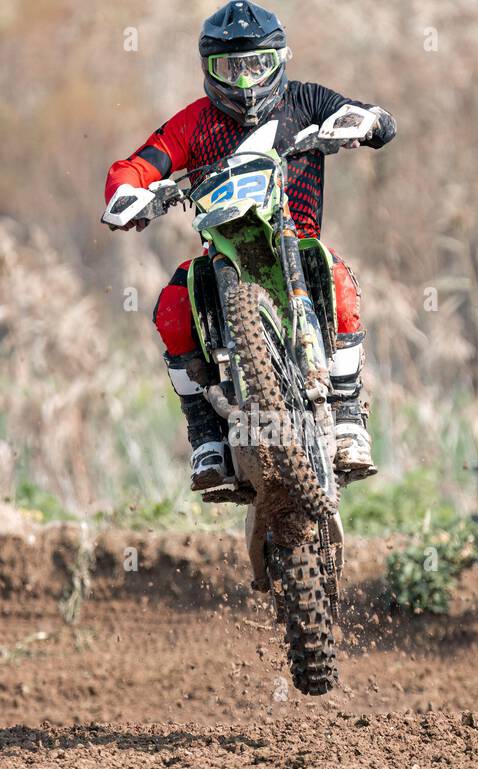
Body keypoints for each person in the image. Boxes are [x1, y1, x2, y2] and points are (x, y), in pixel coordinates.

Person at [104, 1, 396, 490]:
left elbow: (374, 117)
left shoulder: (305, 101)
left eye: (256, 65)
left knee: (339, 279)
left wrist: (358, 123)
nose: (244, 80)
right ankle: (205, 432)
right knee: (174, 305)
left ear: (280, 60)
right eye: (230, 68)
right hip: (223, 254)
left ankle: (346, 414)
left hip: (294, 244)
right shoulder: (192, 123)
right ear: (209, 70)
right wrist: (130, 193)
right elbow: (137, 165)